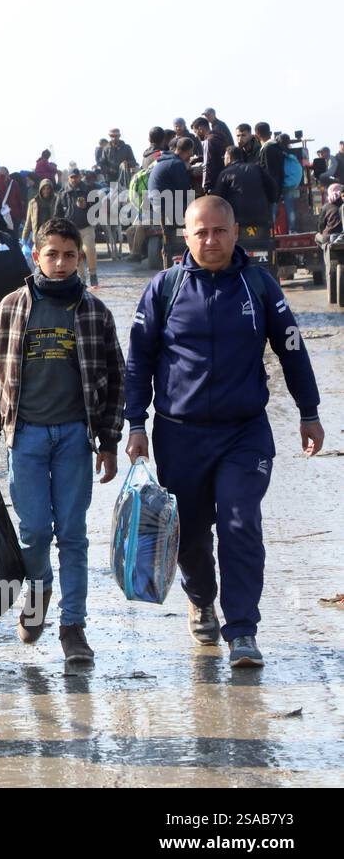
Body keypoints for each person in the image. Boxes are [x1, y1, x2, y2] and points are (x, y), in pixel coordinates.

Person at [124, 197, 324, 668]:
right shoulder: (164, 289)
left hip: (243, 433)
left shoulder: (260, 285)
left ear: (237, 232)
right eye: (201, 233)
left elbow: (292, 349)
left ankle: (243, 631)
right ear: (186, 237)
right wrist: (135, 423)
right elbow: (138, 361)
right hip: (179, 433)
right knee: (190, 535)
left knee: (239, 523)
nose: (210, 241)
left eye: (219, 231)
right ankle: (201, 600)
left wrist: (308, 411)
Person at [0, 218, 124, 663]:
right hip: (27, 439)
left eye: (69, 255)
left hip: (76, 437)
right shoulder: (11, 308)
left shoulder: (94, 312)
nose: (60, 264)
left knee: (73, 536)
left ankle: (73, 626)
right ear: (36, 257)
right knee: (34, 533)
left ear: (80, 259)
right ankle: (37, 602)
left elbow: (116, 379)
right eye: (51, 254)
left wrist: (110, 441)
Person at [213, 145, 277, 233]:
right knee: (262, 242)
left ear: (229, 157)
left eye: (224, 156)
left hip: (237, 218)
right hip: (261, 216)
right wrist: (270, 202)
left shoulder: (225, 173)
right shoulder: (257, 168)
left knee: (239, 244)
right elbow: (272, 186)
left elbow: (218, 199)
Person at [54, 168, 97, 289]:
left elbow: (96, 207)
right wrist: (59, 228)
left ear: (79, 177)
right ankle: (82, 279)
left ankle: (93, 274)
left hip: (86, 227)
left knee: (89, 250)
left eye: (76, 177)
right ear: (69, 178)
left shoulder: (88, 190)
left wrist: (86, 205)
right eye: (72, 177)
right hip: (71, 229)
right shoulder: (63, 193)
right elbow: (57, 213)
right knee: (76, 254)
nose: (74, 179)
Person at [254, 123, 284, 221]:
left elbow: (270, 173)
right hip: (276, 190)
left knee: (270, 221)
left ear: (257, 134)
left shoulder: (267, 149)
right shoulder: (275, 146)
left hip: (270, 193)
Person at [22, 176, 57, 244]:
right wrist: (24, 238)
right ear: (40, 189)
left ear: (51, 190)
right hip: (38, 236)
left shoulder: (56, 201)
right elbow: (28, 223)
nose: (46, 191)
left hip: (52, 235)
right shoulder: (33, 202)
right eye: (44, 189)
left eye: (48, 189)